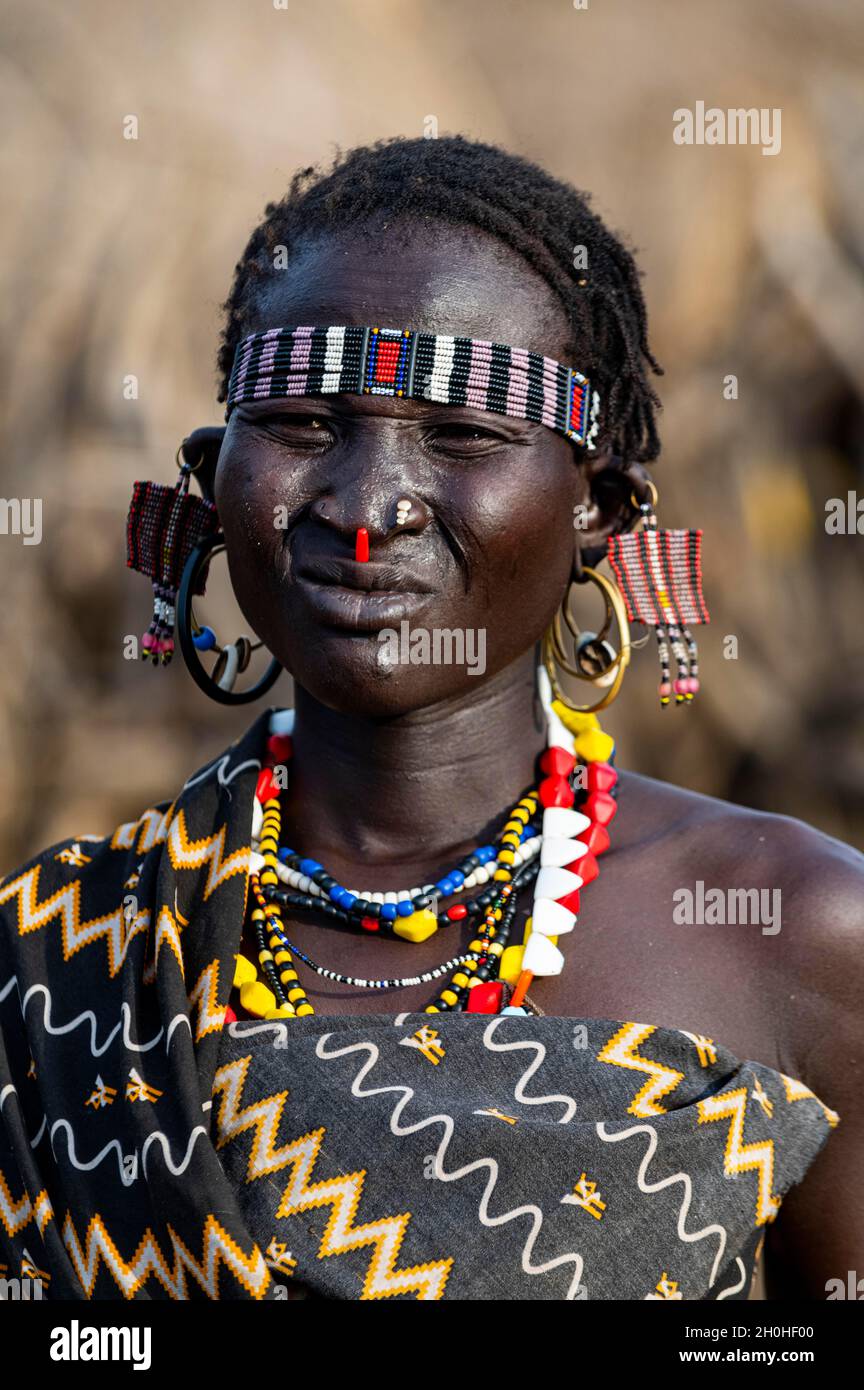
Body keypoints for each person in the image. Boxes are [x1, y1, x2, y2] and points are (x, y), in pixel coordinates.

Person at [0, 137, 860, 1303]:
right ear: (209, 478)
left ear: (600, 510)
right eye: (303, 424)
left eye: (462, 435)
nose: (365, 508)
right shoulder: (61, 954)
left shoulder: (801, 933)